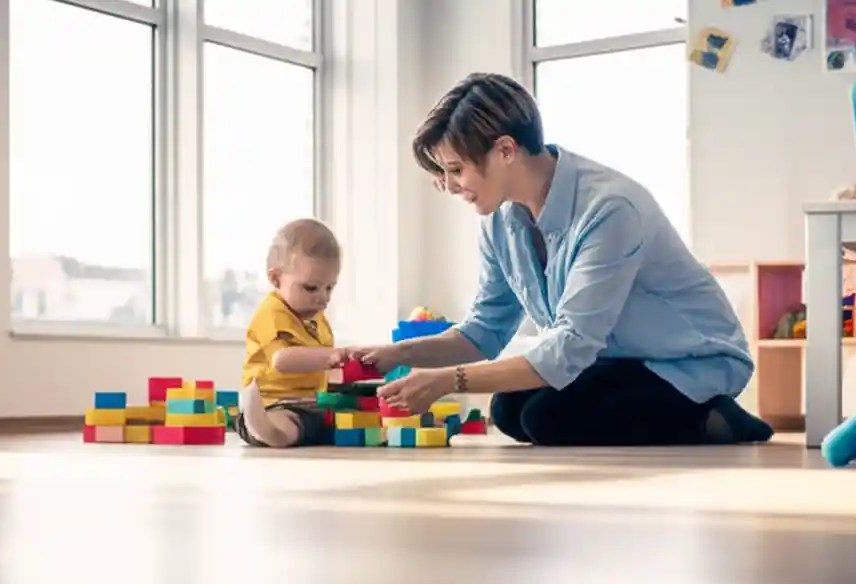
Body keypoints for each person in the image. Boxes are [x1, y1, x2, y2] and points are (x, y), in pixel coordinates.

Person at [345, 72, 772, 446]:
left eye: (456, 170)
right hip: (615, 361)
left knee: (546, 417)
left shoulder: (609, 208)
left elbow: (568, 348)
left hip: (688, 361)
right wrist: (390, 355)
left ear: (506, 150)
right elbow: (484, 331)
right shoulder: (500, 219)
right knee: (510, 410)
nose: (450, 186)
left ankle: (714, 419)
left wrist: (446, 381)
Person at [237, 218, 350, 448]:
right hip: (274, 404)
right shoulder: (272, 312)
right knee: (289, 424)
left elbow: (320, 370)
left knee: (348, 419)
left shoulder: (316, 318)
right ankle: (268, 431)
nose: (323, 297)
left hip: (312, 405)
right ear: (276, 278)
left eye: (330, 287)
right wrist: (331, 357)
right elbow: (282, 359)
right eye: (311, 287)